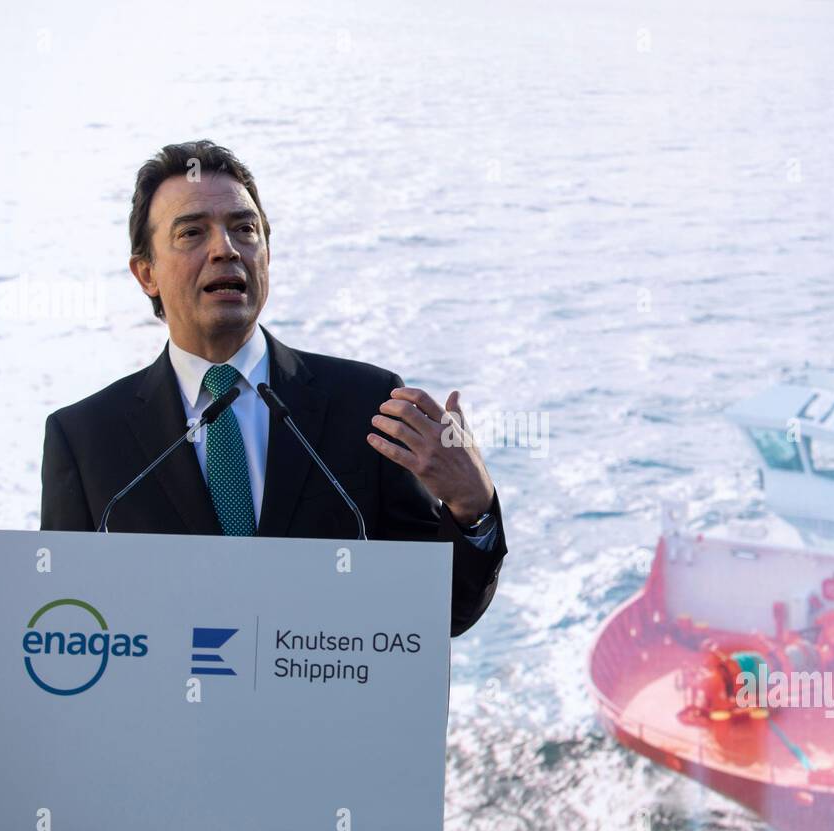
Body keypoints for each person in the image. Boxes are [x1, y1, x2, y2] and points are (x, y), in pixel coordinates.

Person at [40, 140, 506, 637]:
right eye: (192, 232)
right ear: (146, 273)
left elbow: (439, 613)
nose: (225, 249)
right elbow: (63, 621)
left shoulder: (365, 404)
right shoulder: (85, 438)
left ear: (267, 252)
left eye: (244, 229)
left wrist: (472, 508)